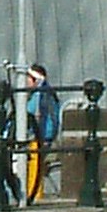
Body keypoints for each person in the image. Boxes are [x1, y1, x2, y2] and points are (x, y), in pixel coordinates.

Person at [21, 62, 63, 203]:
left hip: (41, 138)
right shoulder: (41, 94)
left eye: (29, 78)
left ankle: (28, 194)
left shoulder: (40, 96)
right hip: (41, 136)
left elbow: (29, 116)